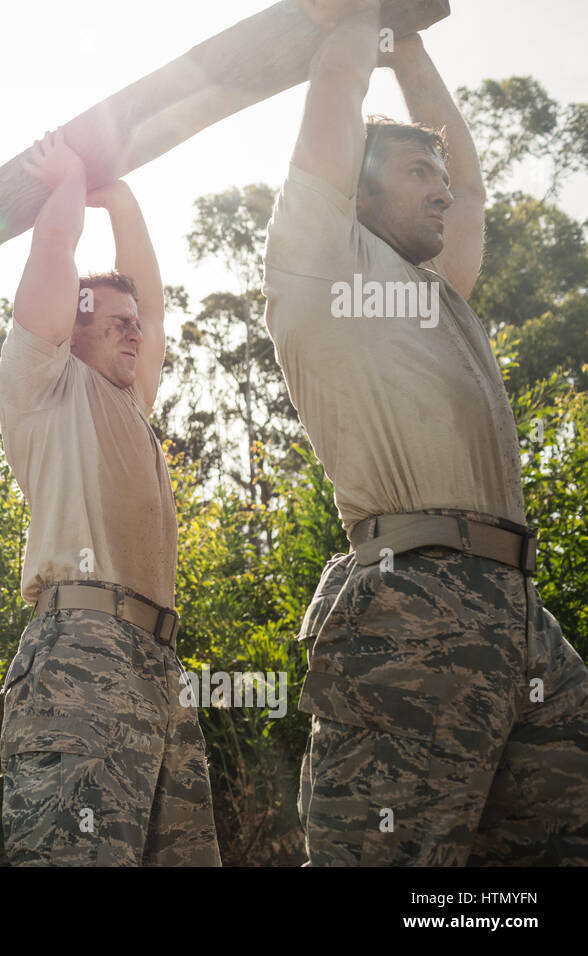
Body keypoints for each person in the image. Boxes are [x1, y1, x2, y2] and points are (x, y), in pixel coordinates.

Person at [266, 0, 588, 864]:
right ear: (358, 187)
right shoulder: (320, 263)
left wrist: (404, 44)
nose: (444, 189)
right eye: (418, 172)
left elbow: (475, 186)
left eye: (438, 176)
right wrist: (359, 18)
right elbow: (336, 85)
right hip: (409, 608)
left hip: (519, 619)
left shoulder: (438, 287)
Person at [0, 129, 220, 866]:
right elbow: (52, 258)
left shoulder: (134, 401)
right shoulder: (46, 385)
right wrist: (67, 182)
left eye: (136, 324)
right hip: (80, 650)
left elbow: (150, 299)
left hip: (157, 659)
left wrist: (118, 194)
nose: (134, 330)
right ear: (73, 327)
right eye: (114, 321)